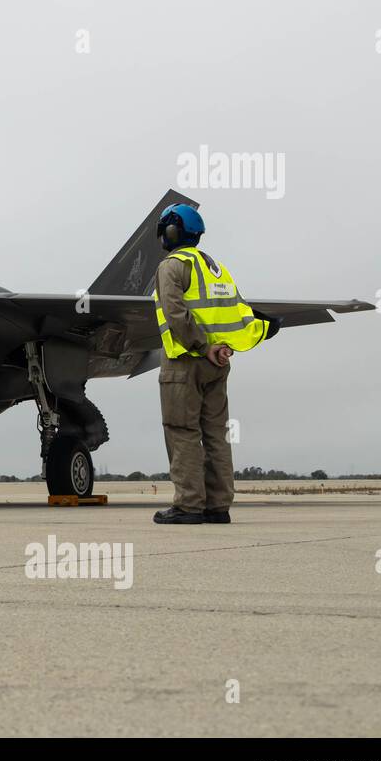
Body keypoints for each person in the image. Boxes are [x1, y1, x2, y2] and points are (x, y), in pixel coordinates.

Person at [151, 203, 280, 524]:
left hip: (185, 363)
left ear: (170, 232)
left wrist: (202, 345)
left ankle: (189, 506)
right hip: (217, 364)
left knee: (182, 431)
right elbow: (238, 313)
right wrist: (240, 340)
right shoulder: (215, 268)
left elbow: (175, 313)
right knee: (215, 434)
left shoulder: (171, 266)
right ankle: (218, 506)